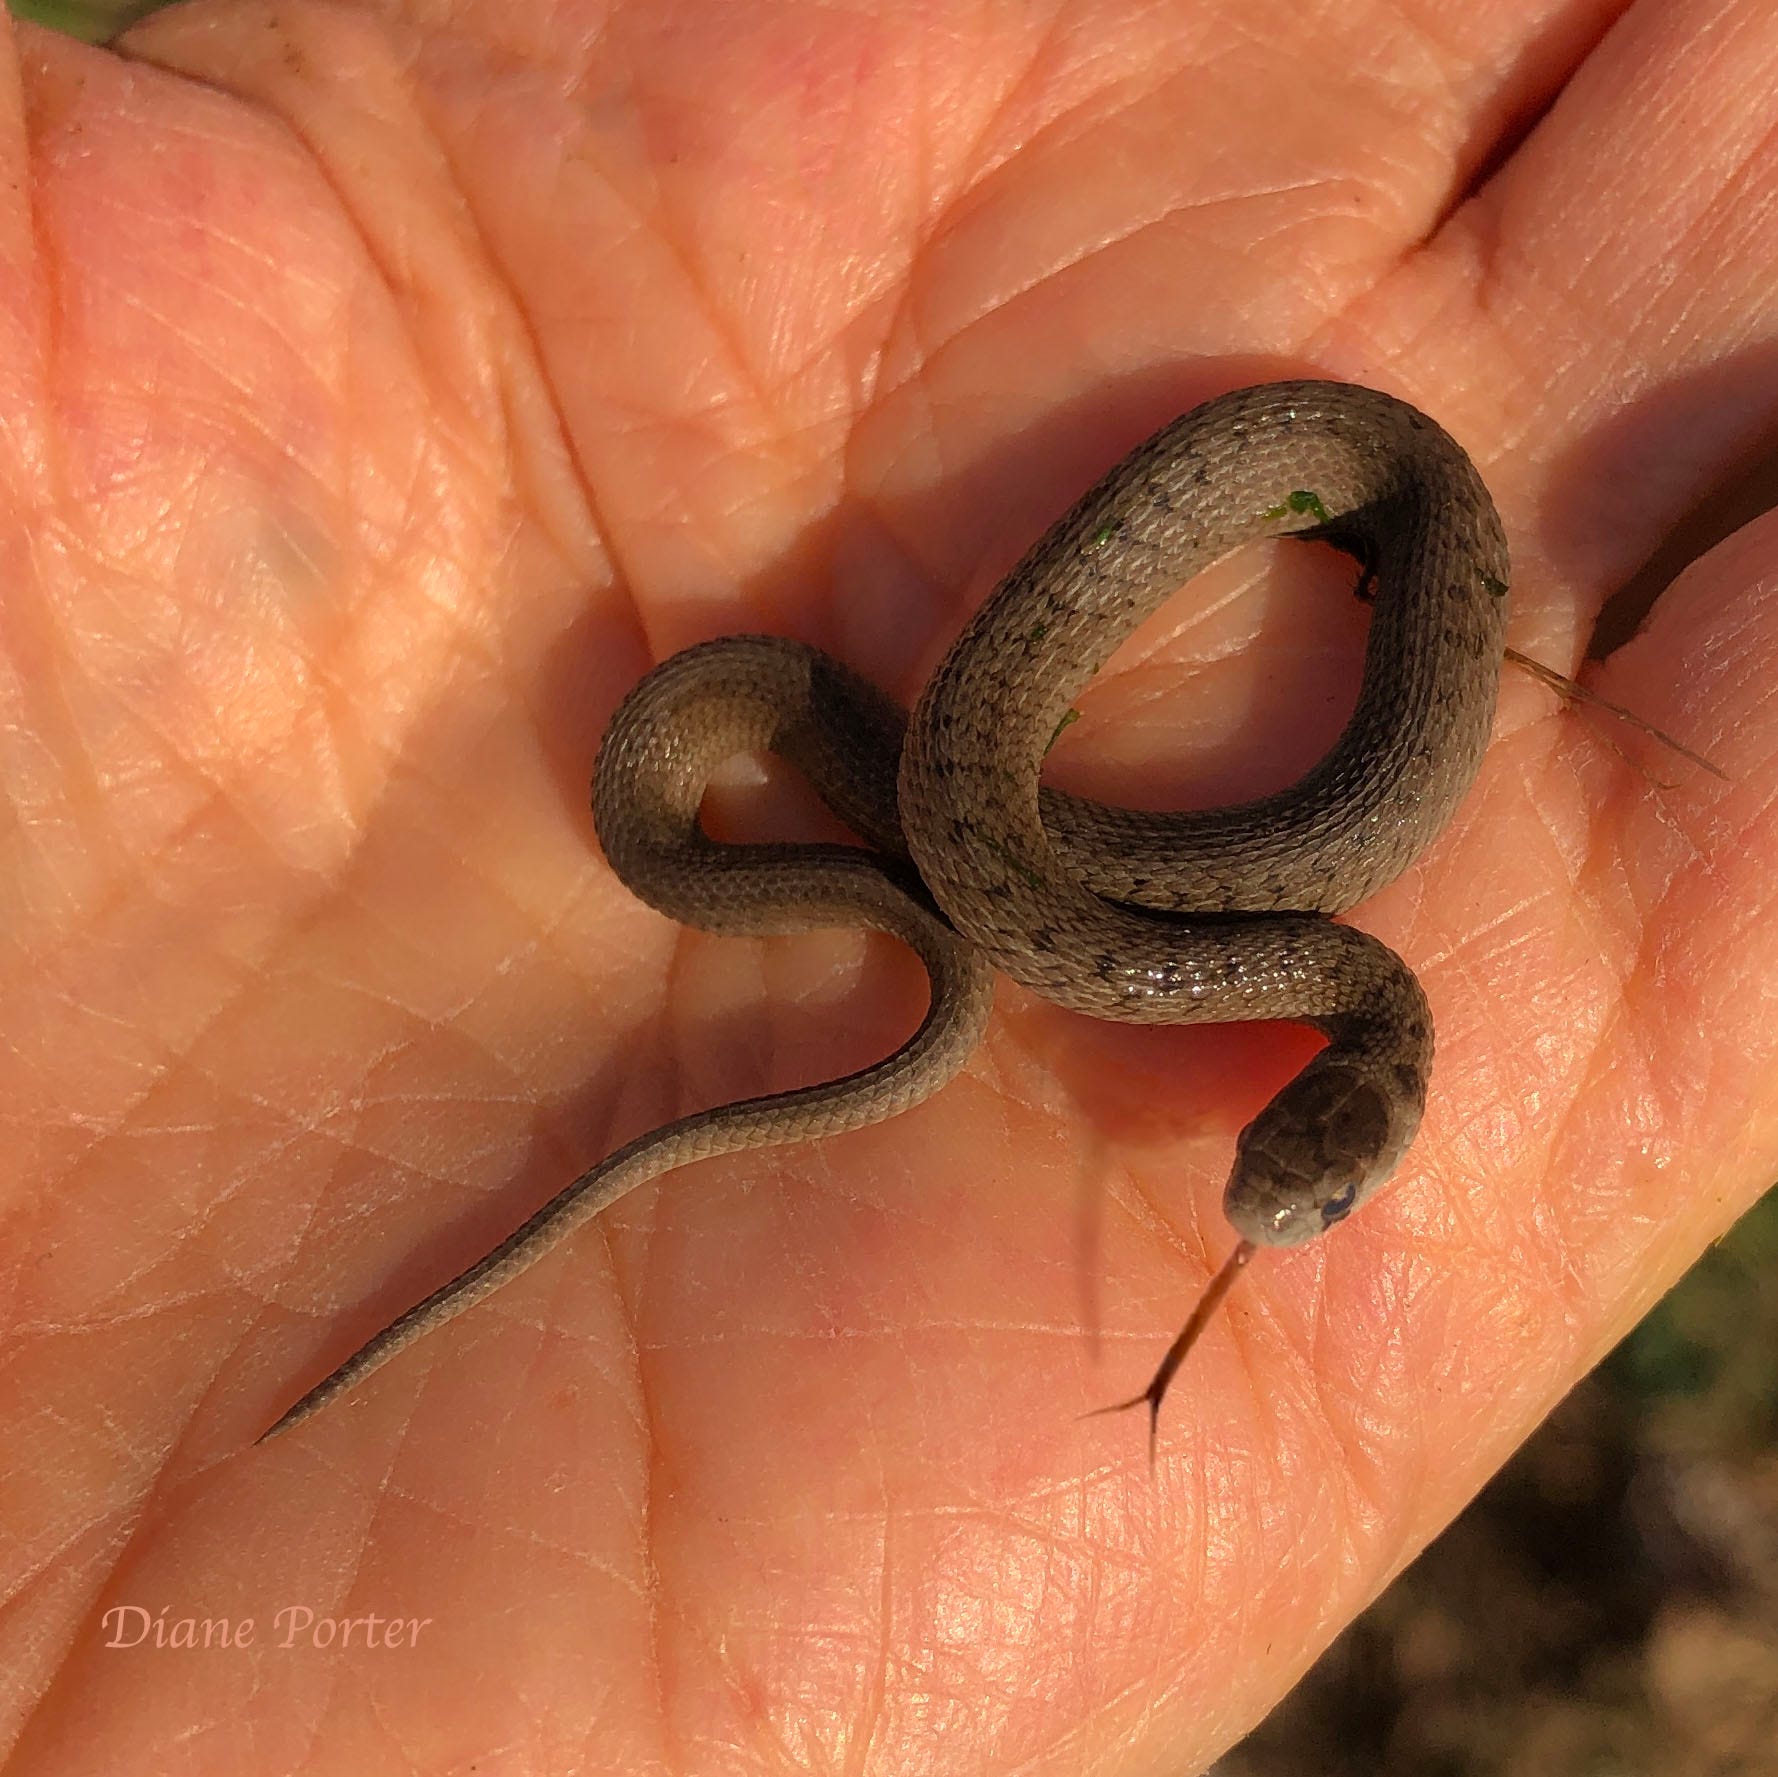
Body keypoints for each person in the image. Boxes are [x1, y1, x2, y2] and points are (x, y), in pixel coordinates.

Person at [5, 0, 1772, 1770]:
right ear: (1348, 1108)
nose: (1256, 1190)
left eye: (1279, 1186)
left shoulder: (1315, 959)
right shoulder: (1298, 960)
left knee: (1007, 846)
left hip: (1292, 588)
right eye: (1284, 1174)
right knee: (973, 840)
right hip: (1085, 739)